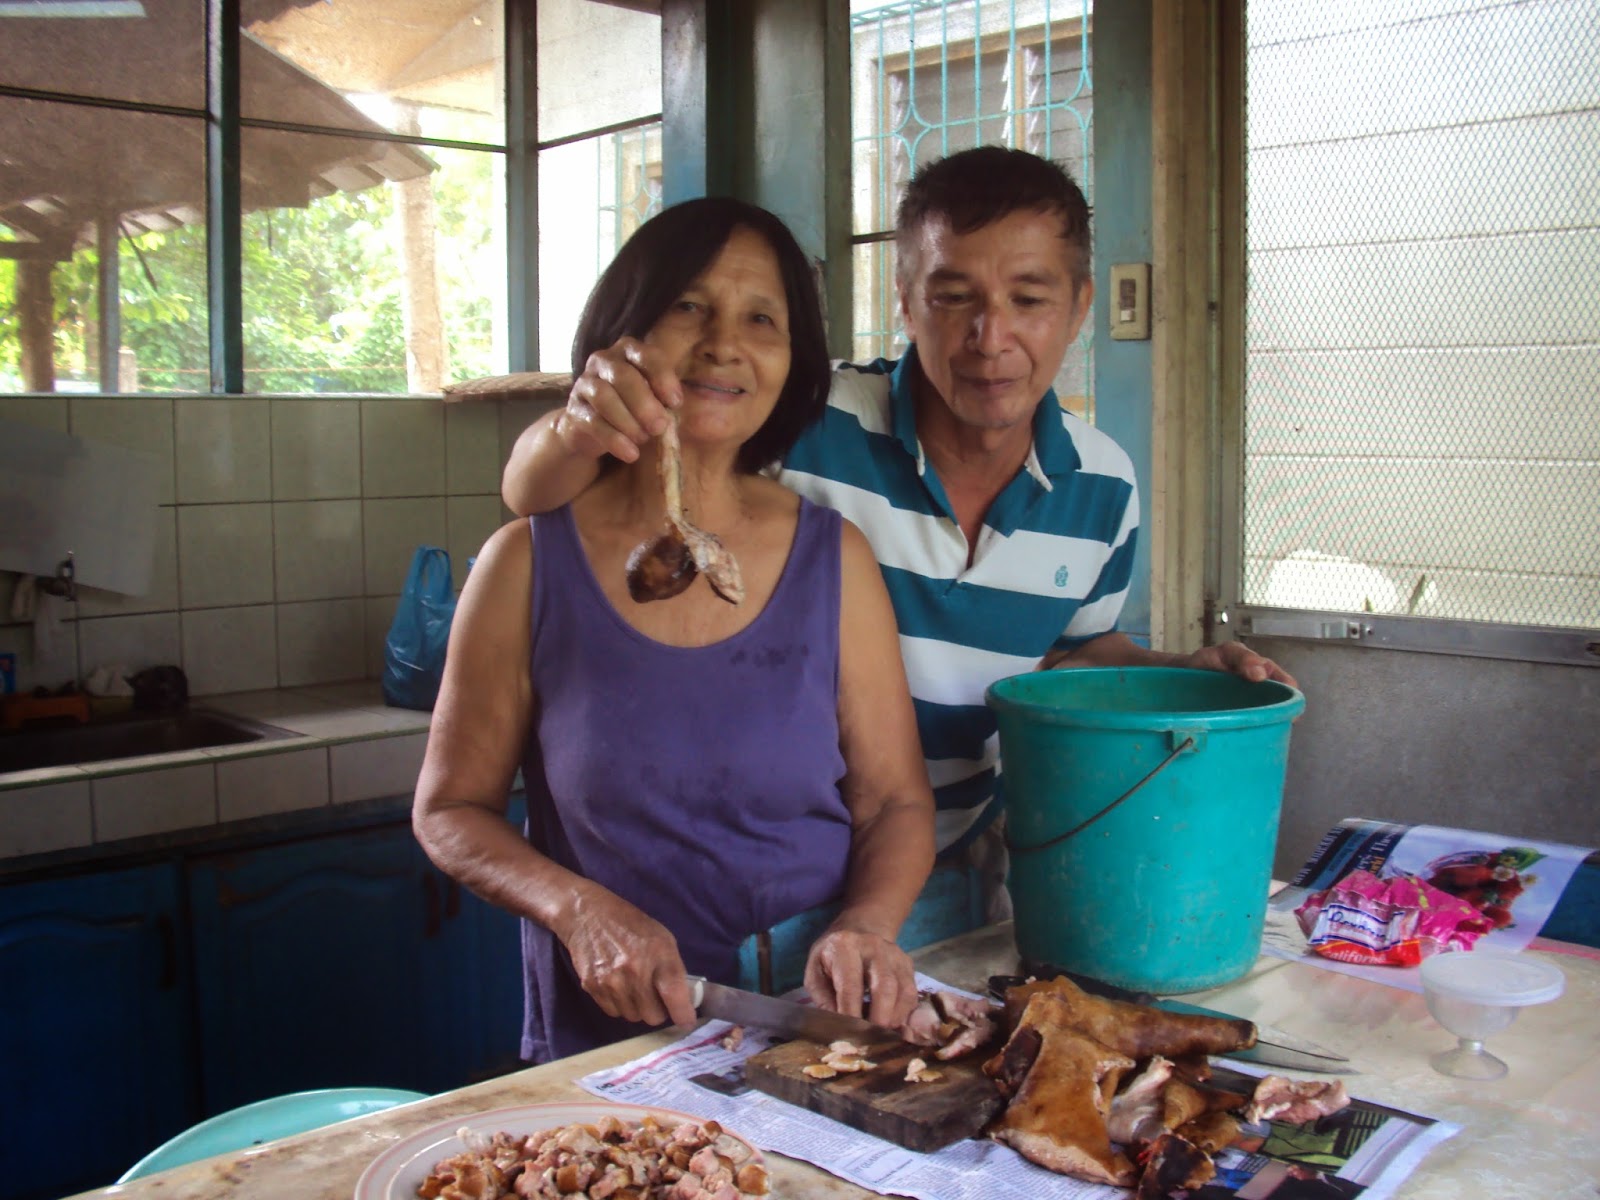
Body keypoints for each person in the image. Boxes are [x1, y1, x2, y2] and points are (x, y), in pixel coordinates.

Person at [501, 146, 1295, 917]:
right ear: (906, 300)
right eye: (953, 297)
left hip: (963, 870)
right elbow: (550, 496)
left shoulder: (1104, 485)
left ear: (1080, 307)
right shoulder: (806, 424)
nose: (991, 338)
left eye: (1029, 298)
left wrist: (1176, 671)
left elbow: (1073, 650)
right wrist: (569, 427)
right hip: (782, 874)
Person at [414, 196, 936, 1064]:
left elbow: (894, 801)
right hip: (609, 1048)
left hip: (813, 1037)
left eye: (761, 318)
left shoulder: (833, 558)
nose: (723, 342)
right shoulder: (526, 564)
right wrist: (578, 910)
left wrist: (867, 928)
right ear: (624, 335)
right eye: (689, 306)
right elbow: (448, 811)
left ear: (792, 360)